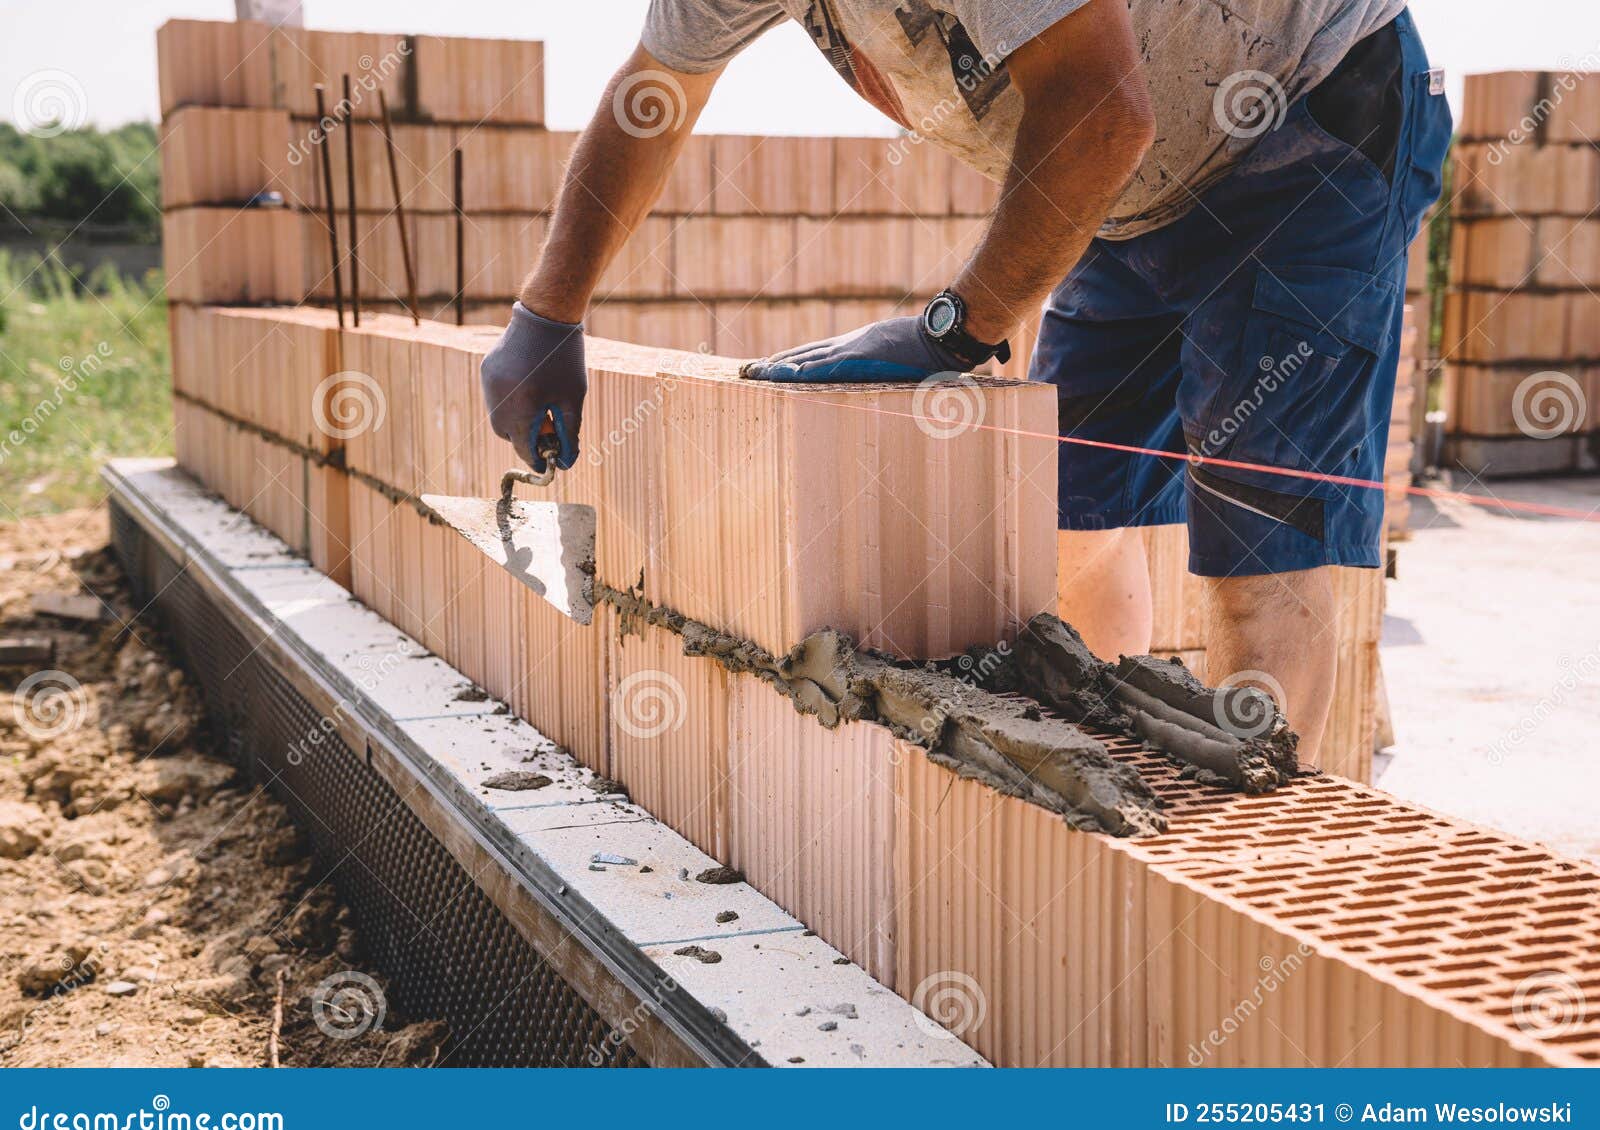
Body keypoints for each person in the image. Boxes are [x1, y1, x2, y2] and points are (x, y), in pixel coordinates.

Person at [479, 0, 1451, 763]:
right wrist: (548, 313)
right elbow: (654, 92)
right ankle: (1109, 785)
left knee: (1256, 559)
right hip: (1133, 181)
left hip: (1308, 115)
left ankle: (1241, 902)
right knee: (1062, 524)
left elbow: (1103, 111)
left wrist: (956, 329)